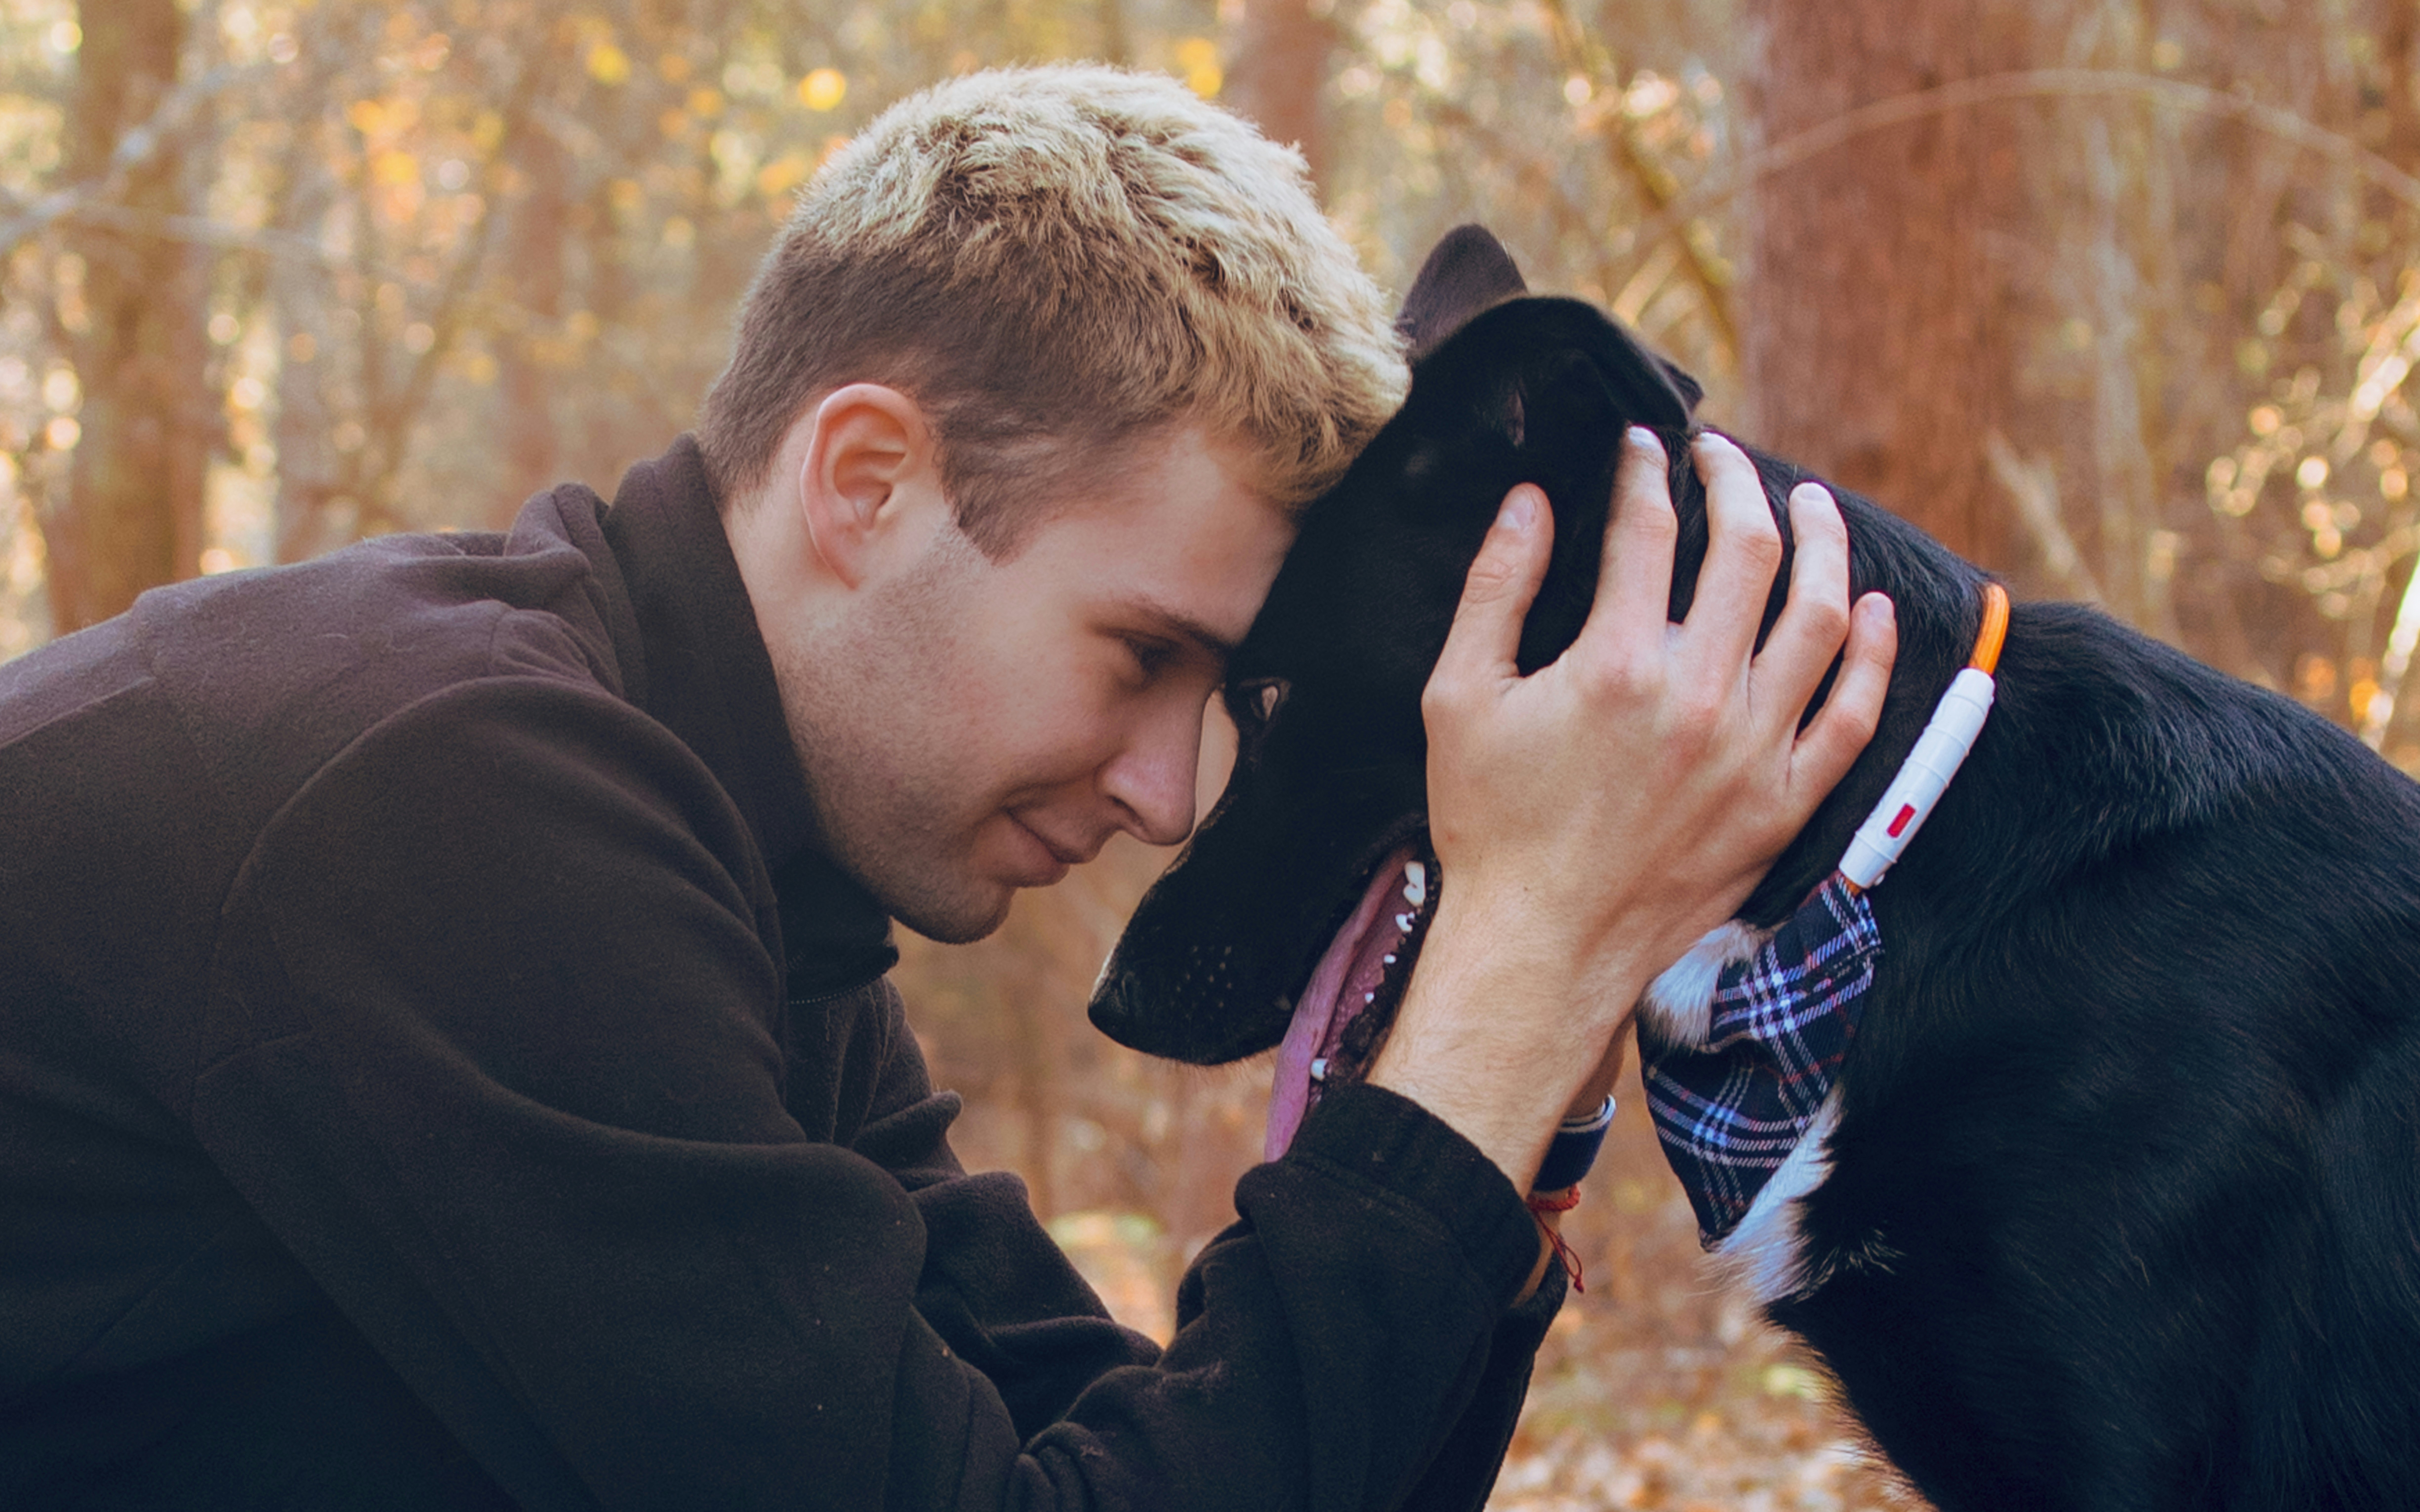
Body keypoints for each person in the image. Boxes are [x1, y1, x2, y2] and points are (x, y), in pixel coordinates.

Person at [0, 65, 1896, 1510]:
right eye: (1141, 653)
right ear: (868, 485)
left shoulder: (745, 886)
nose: (1169, 794)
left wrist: (1524, 1061)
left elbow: (1147, 1453)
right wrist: (1507, 982)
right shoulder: (444, 807)